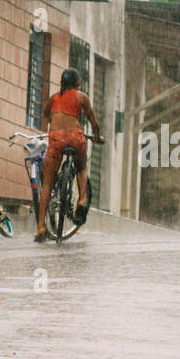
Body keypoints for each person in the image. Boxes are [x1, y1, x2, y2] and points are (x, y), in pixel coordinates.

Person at [35, 67, 104, 241]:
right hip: (75, 137)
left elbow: (45, 114)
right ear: (78, 83)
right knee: (81, 166)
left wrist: (54, 123)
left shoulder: (53, 98)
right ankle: (81, 200)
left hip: (56, 138)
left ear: (62, 82)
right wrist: (97, 137)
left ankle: (41, 228)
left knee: (48, 183)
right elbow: (93, 122)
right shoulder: (82, 97)